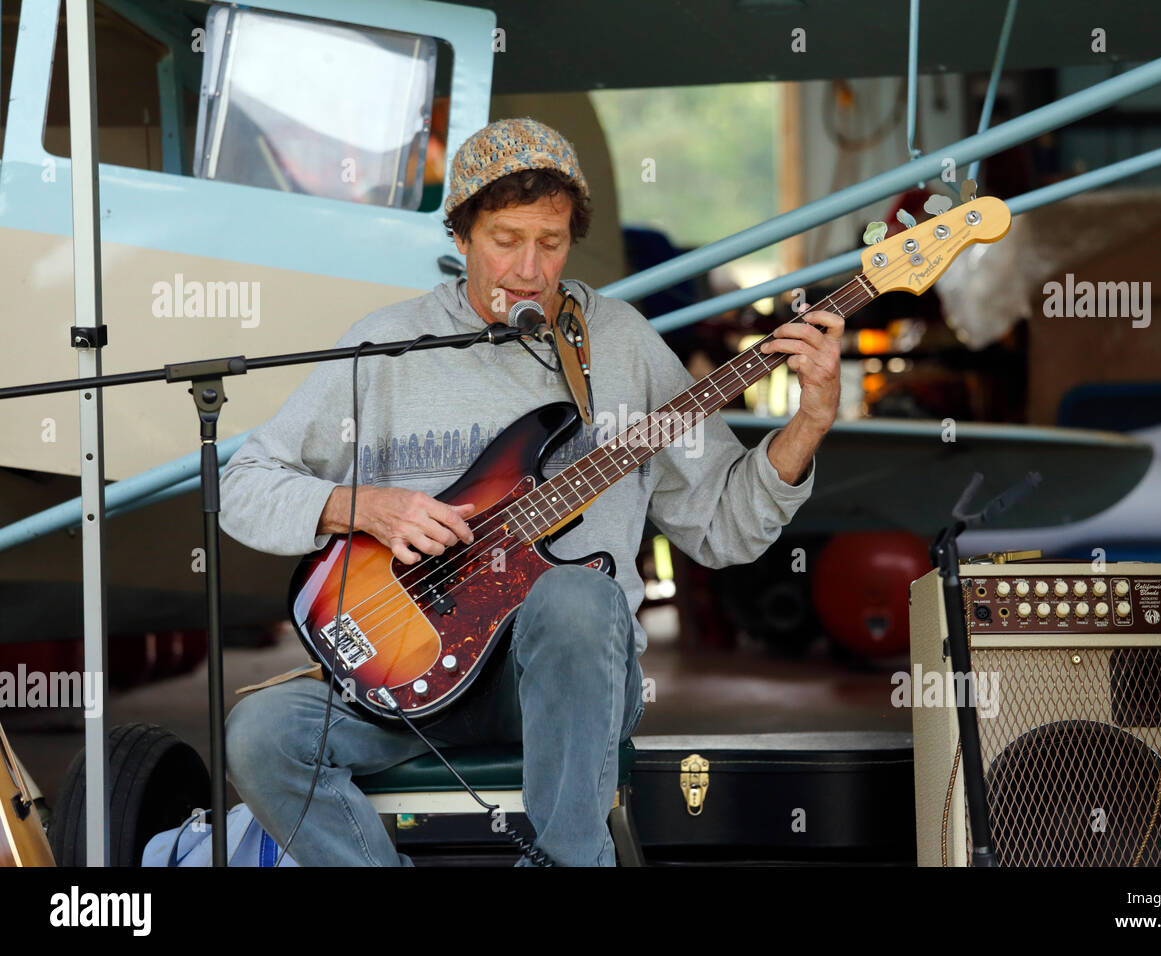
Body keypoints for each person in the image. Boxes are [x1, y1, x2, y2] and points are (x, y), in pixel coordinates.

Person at [219, 117, 842, 866]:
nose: (528, 267)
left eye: (550, 243)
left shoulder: (620, 344)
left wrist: (809, 420)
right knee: (260, 735)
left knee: (577, 596)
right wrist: (363, 507)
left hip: (563, 686)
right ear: (460, 237)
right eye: (505, 240)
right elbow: (244, 485)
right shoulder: (383, 348)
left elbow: (727, 531)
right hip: (404, 683)